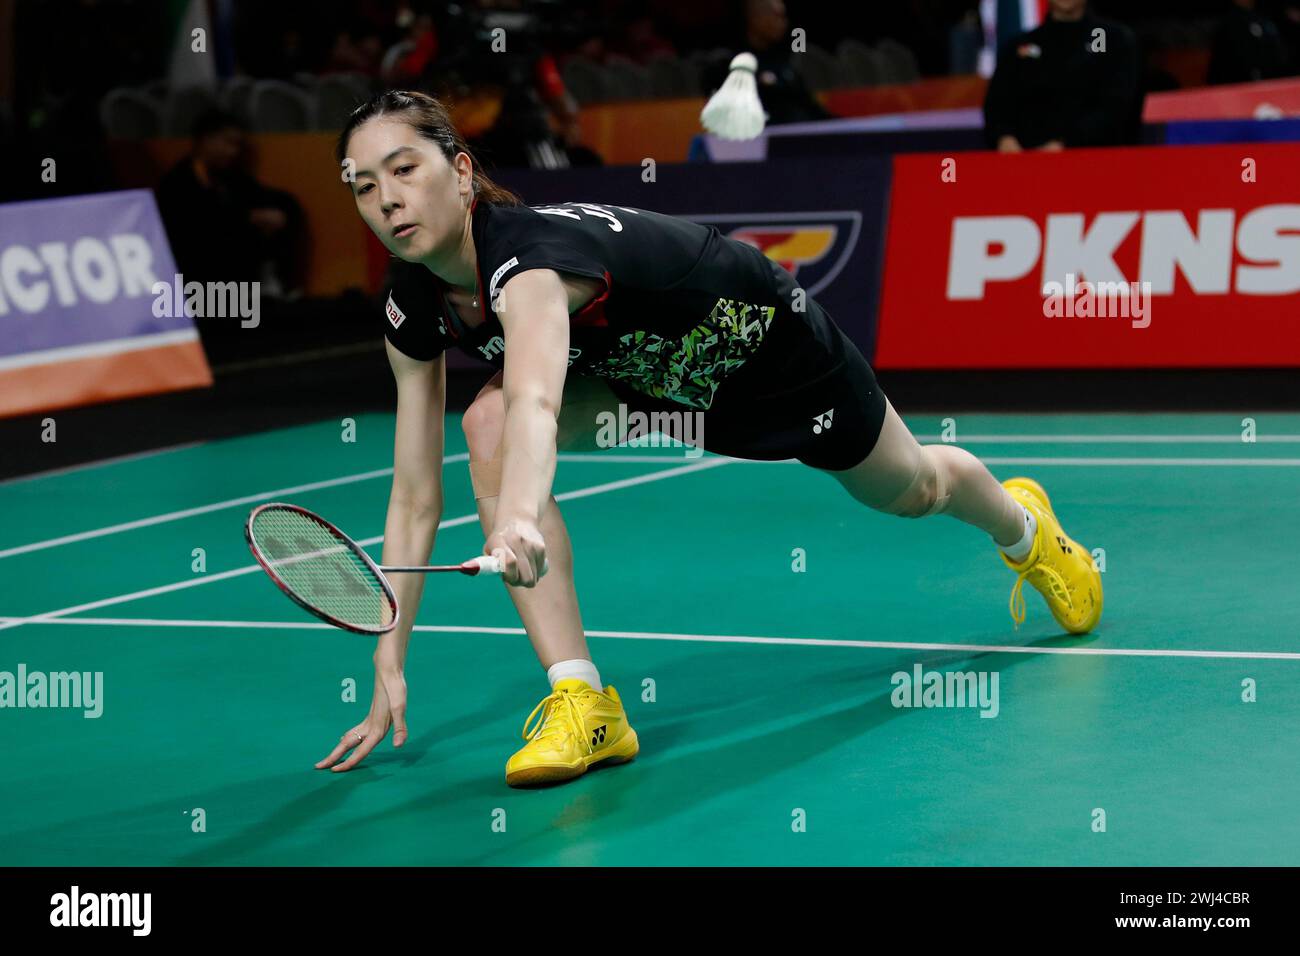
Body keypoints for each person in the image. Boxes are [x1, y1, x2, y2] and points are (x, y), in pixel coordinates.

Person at [317, 90, 1103, 788]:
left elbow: (535, 402)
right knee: (479, 423)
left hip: (767, 351)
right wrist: (388, 653)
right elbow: (416, 492)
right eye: (363, 186)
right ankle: (584, 698)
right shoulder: (412, 307)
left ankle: (1027, 532)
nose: (386, 199)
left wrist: (517, 515)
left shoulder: (530, 264)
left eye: (404, 169)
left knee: (912, 489)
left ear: (459, 172)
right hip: (657, 391)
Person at [156, 109, 304, 296]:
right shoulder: (177, 182)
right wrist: (247, 218)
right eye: (228, 143)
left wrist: (281, 211)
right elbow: (196, 225)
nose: (233, 152)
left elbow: (262, 196)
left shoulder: (229, 177)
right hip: (197, 273)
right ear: (206, 140)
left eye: (237, 146)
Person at [983, 0, 1140, 152]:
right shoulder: (1018, 47)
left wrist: (1066, 143)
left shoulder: (1113, 40)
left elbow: (1116, 108)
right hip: (1026, 165)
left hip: (1095, 162)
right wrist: (1004, 138)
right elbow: (997, 107)